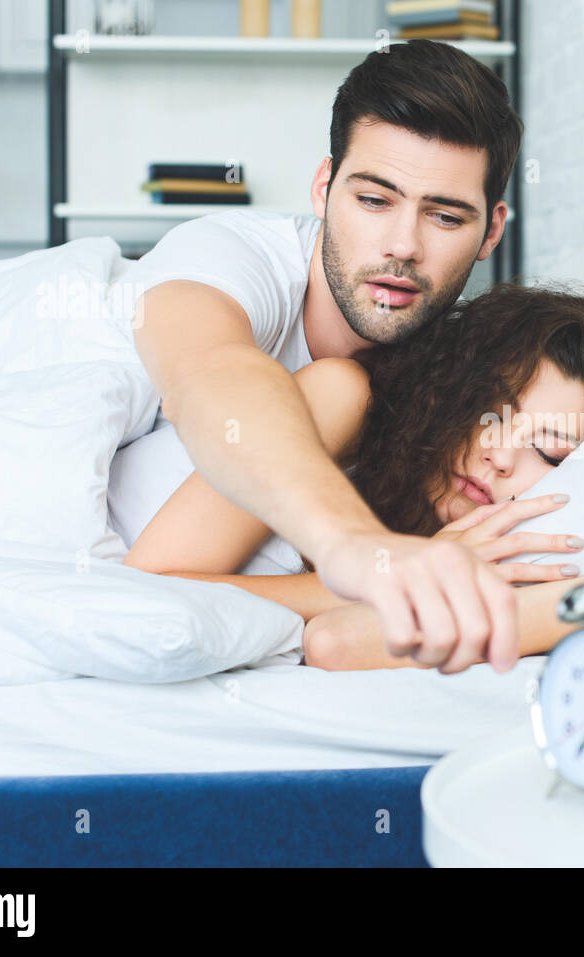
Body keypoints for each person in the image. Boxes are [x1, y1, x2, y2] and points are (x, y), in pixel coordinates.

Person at [124, 39, 525, 675]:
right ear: (323, 187)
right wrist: (355, 549)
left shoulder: (450, 377)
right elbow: (211, 375)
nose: (403, 245)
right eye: (374, 200)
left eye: (445, 217)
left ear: (491, 232)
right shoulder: (228, 257)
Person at [122, 282, 584, 671]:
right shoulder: (344, 396)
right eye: (492, 410)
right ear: (450, 383)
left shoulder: (461, 540)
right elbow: (147, 597)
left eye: (549, 454)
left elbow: (339, 643)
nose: (501, 456)